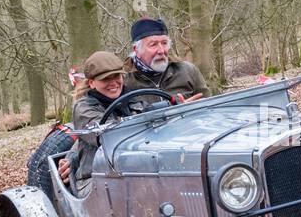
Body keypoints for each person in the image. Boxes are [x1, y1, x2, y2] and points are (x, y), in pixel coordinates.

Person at [58, 51, 129, 186]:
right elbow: (110, 135)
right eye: (106, 79)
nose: (113, 82)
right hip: (95, 177)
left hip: (133, 170)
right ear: (91, 83)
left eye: (117, 76)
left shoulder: (133, 100)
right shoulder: (83, 108)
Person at [122, 17, 208, 101]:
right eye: (153, 44)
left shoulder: (188, 71)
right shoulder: (123, 80)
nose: (161, 51)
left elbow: (211, 108)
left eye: (164, 43)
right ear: (136, 50)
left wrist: (189, 109)